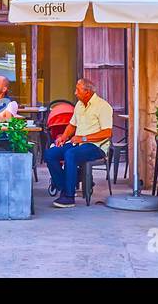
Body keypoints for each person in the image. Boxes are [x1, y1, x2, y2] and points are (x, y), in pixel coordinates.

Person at [44, 78, 113, 208]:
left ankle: (69, 197)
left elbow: (107, 133)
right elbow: (72, 125)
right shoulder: (79, 105)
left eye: (77, 89)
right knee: (50, 154)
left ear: (87, 92)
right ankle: (64, 188)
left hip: (96, 147)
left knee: (70, 154)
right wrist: (63, 137)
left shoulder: (103, 106)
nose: (75, 92)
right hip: (78, 144)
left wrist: (83, 138)